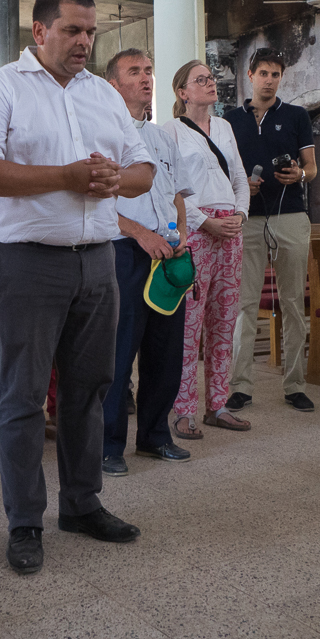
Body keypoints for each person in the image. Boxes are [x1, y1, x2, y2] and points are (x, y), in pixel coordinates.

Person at [0, 0, 154, 575]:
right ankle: (24, 521)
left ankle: (81, 503)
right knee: (20, 396)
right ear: (39, 32)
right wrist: (66, 176)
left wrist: (113, 182)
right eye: (73, 30)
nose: (85, 42)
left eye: (91, 32)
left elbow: (143, 167)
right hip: (26, 264)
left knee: (90, 388)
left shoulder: (103, 94)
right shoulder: (2, 88)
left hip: (97, 260)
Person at [101, 49, 195, 477]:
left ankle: (156, 435)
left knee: (165, 349)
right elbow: (96, 204)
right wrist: (141, 233)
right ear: (113, 84)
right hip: (125, 252)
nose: (145, 78)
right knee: (119, 352)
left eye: (149, 71)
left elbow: (176, 193)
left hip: (167, 252)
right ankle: (107, 444)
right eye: (134, 72)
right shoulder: (102, 134)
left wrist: (180, 233)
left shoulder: (160, 137)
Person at [225, 49, 318, 414]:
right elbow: (222, 171)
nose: (269, 80)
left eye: (276, 74)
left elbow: (312, 167)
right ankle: (240, 387)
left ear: (282, 77)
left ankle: (295, 385)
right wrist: (238, 187)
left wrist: (300, 175)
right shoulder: (230, 120)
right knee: (244, 305)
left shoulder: (297, 116)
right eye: (263, 73)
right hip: (246, 218)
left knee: (294, 304)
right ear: (250, 75)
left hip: (289, 214)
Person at [164, 61, 252, 437]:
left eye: (211, 79)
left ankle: (218, 404)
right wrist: (205, 222)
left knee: (224, 321)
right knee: (189, 325)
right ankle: (183, 409)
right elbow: (172, 188)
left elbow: (240, 179)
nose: (209, 84)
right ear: (183, 92)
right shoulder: (170, 131)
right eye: (200, 80)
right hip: (197, 231)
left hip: (231, 229)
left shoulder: (226, 127)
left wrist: (241, 215)